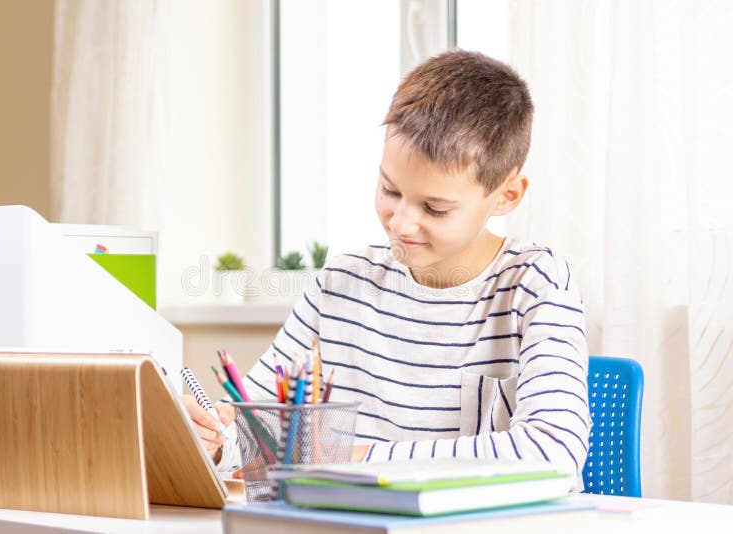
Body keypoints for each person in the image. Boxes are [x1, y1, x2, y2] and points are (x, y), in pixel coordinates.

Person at [183, 49, 589, 487]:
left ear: (507, 196)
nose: (401, 223)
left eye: (435, 208)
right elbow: (257, 437)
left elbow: (555, 452)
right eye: (390, 190)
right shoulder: (340, 284)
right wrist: (218, 440)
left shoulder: (536, 282)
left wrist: (353, 457)